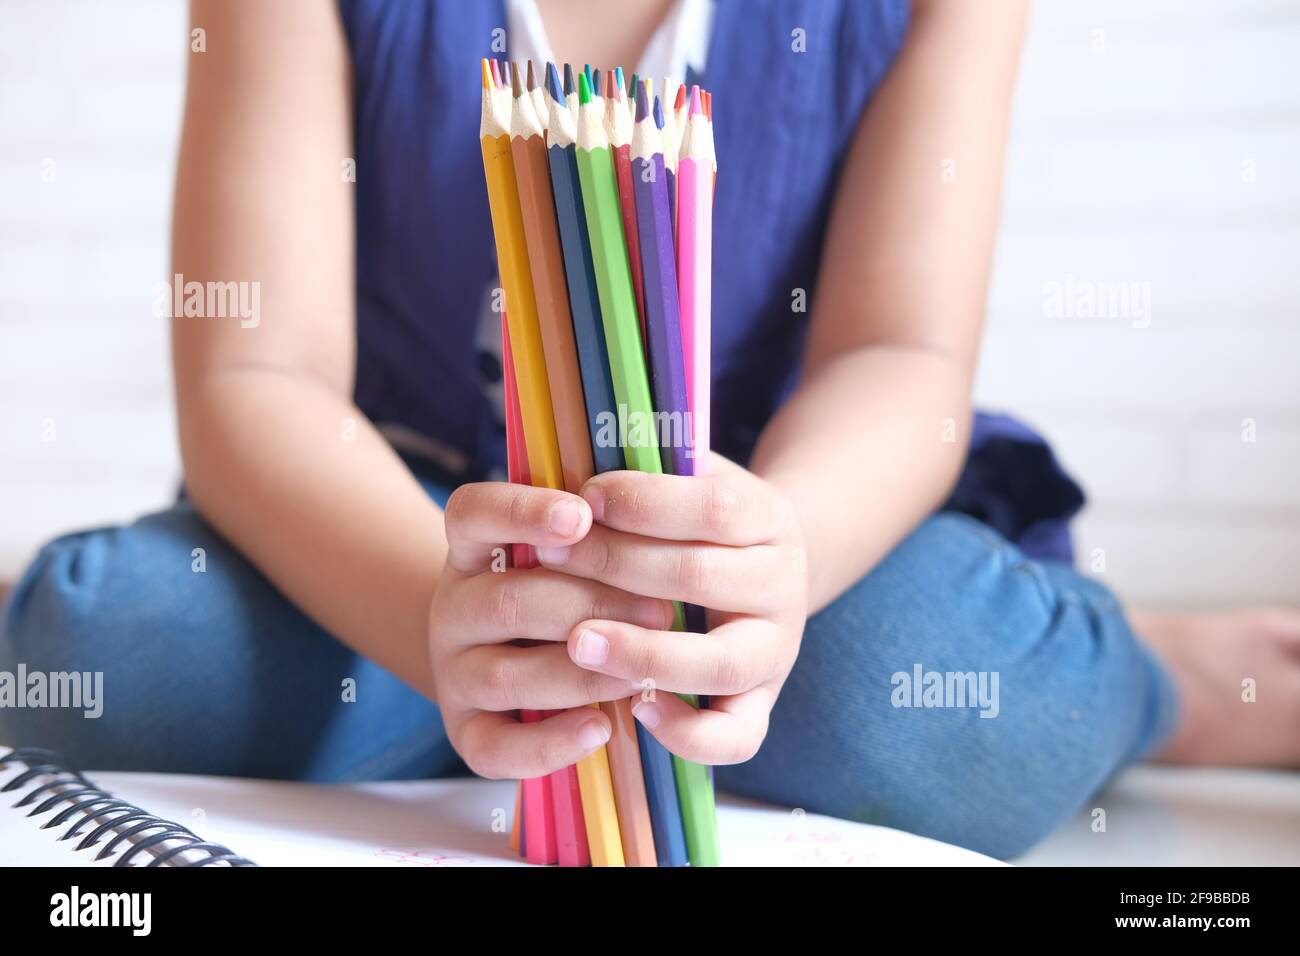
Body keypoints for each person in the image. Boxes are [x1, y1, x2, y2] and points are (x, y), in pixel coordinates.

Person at [3, 0, 1297, 859]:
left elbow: (897, 358)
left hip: (793, 536)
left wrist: (765, 576)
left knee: (927, 699)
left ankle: (1166, 685)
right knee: (119, 646)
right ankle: (494, 690)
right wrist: (447, 625)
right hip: (406, 531)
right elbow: (256, 374)